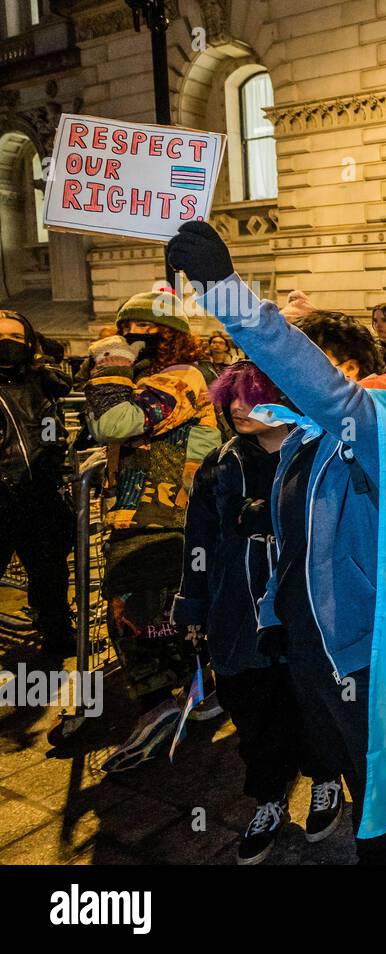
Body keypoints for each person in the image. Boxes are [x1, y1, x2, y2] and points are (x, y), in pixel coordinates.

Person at [167, 221, 386, 864]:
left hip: (366, 652)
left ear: (348, 371)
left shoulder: (371, 418)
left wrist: (225, 291)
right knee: (369, 791)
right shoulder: (307, 439)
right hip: (317, 648)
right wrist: (276, 613)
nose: (280, 384)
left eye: (309, 367)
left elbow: (308, 376)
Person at [173, 361, 344, 864]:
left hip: (304, 611)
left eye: (254, 396)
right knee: (254, 711)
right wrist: (194, 607)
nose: (239, 407)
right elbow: (197, 539)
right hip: (239, 614)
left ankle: (325, 780)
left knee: (312, 703)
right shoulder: (220, 463)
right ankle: (269, 799)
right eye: (233, 397)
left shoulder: (317, 456)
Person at [83, 289, 222, 773]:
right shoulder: (151, 379)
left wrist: (111, 364)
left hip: (164, 523)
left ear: (172, 340)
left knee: (145, 618)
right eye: (125, 333)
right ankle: (194, 695)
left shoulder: (180, 377)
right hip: (145, 519)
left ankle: (168, 704)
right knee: (152, 614)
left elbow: (115, 422)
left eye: (142, 334)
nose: (131, 342)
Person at [0, 310, 75, 657]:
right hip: (2, 495)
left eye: (16, 337)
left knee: (49, 576)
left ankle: (57, 638)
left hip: (40, 495)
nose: (7, 344)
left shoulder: (42, 381)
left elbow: (53, 433)